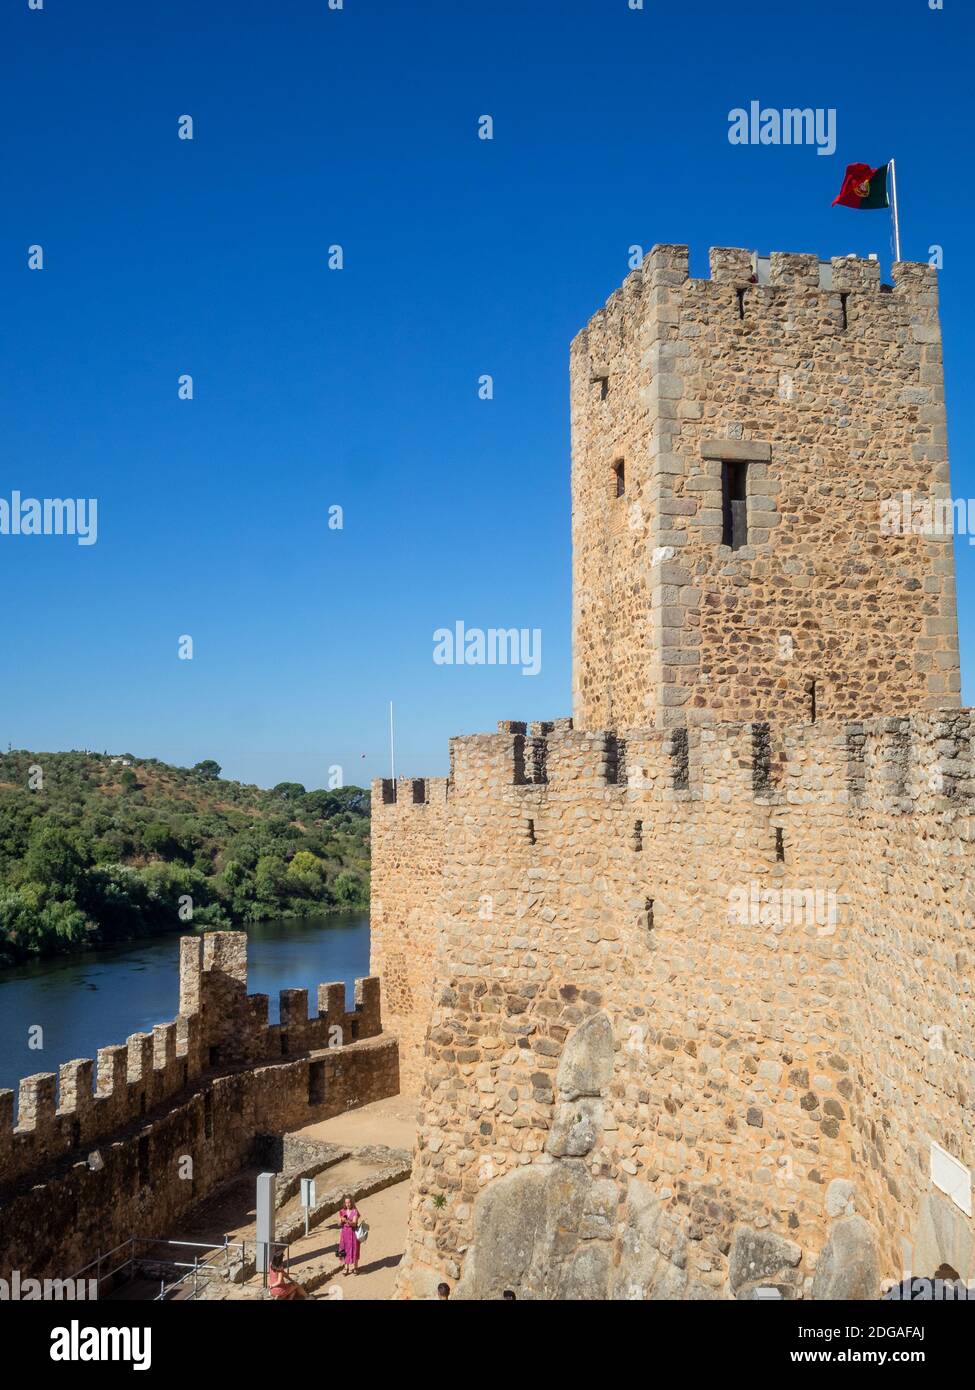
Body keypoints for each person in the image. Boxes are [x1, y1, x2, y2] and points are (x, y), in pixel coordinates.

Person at [338, 1194, 362, 1276]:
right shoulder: (342, 1211)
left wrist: (347, 1220)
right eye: (346, 1203)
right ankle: (346, 1267)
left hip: (352, 1233)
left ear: (351, 1202)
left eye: (349, 1202)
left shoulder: (355, 1211)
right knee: (344, 1249)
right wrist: (341, 1221)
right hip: (344, 1233)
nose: (347, 1204)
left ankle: (355, 1267)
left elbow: (354, 1224)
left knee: (354, 1249)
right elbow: (338, 1224)